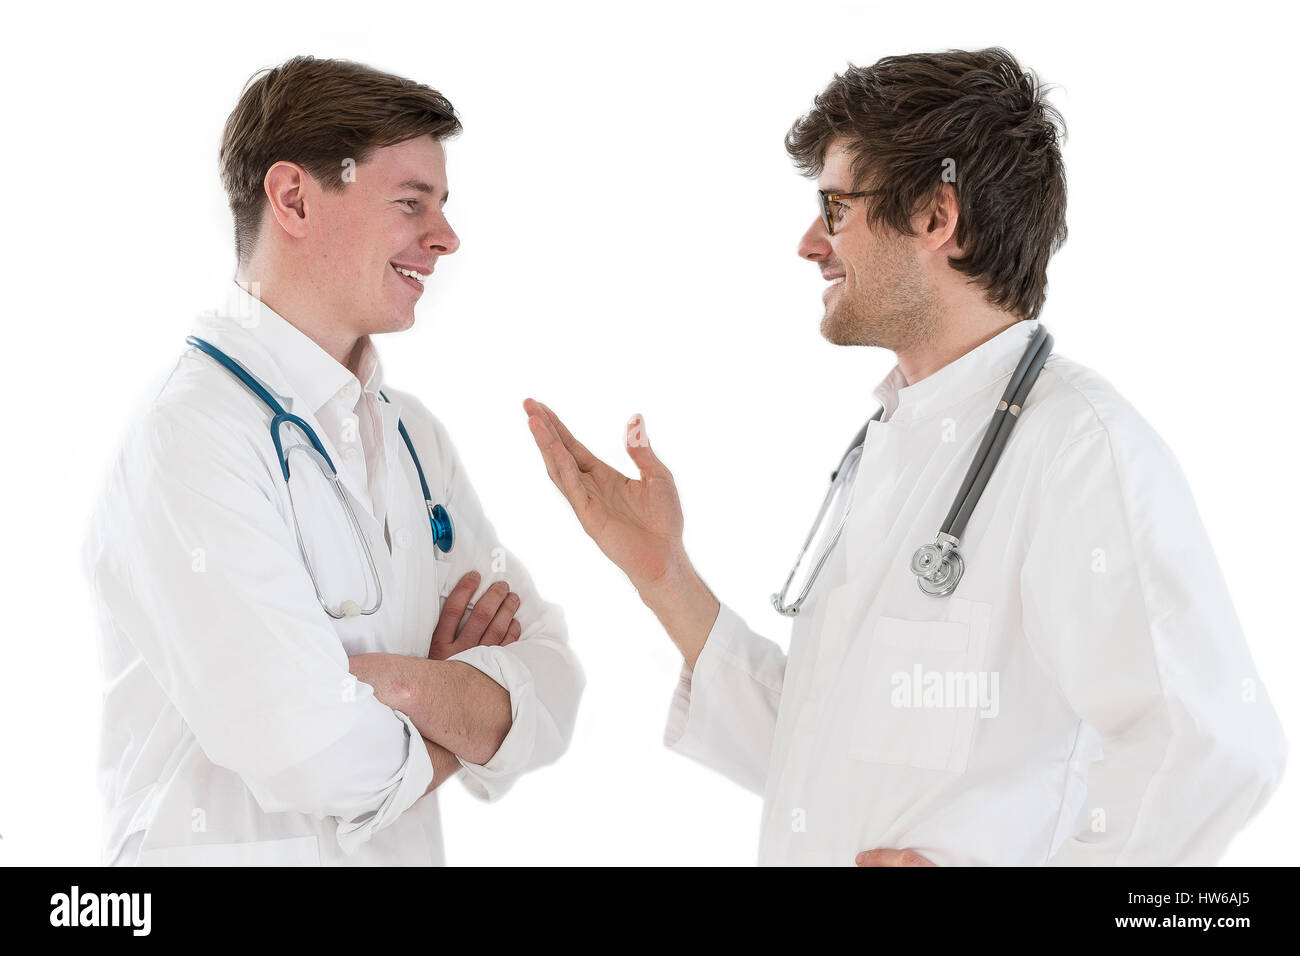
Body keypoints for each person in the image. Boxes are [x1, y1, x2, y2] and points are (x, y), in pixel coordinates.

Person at [524, 47, 1286, 866]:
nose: (809, 242)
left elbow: (1213, 746)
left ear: (934, 217)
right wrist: (662, 573)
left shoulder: (1078, 448)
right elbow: (825, 755)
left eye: (836, 207)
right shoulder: (900, 435)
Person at [82, 55, 584, 866]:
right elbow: (315, 754)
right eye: (411, 203)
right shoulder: (192, 438)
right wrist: (463, 716)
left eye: (442, 207)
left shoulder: (413, 437)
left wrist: (402, 687)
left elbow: (554, 686)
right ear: (293, 198)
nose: (446, 238)